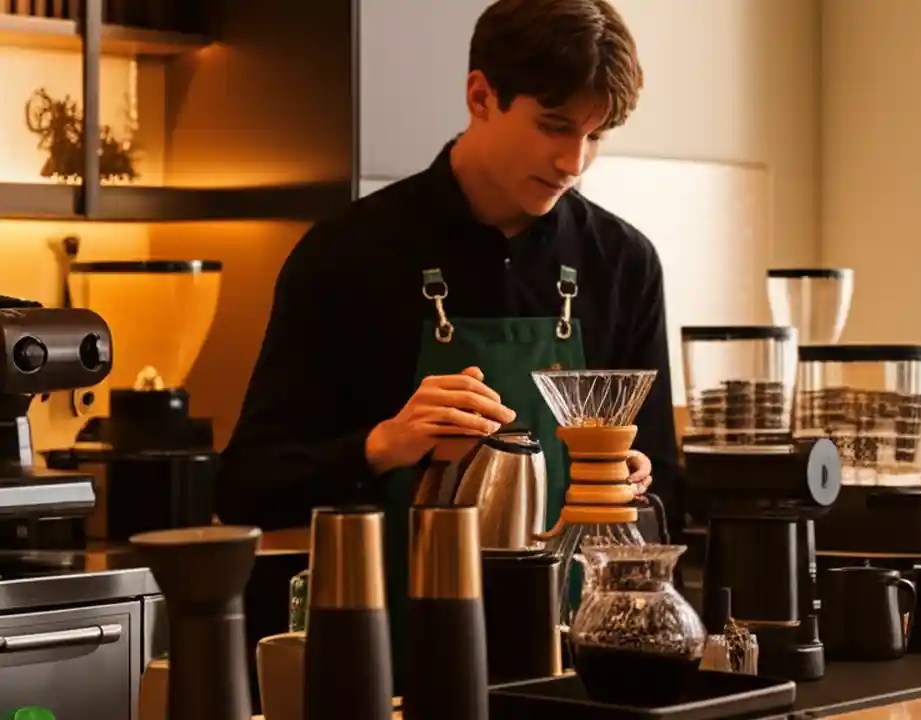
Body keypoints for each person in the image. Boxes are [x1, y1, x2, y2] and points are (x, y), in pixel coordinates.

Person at [214, 0, 680, 690]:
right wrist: (383, 445)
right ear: (480, 96)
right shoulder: (347, 254)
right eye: (554, 126)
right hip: (390, 668)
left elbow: (666, 482)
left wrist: (636, 484)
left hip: (578, 672)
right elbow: (247, 487)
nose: (573, 162)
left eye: (596, 136)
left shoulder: (623, 262)